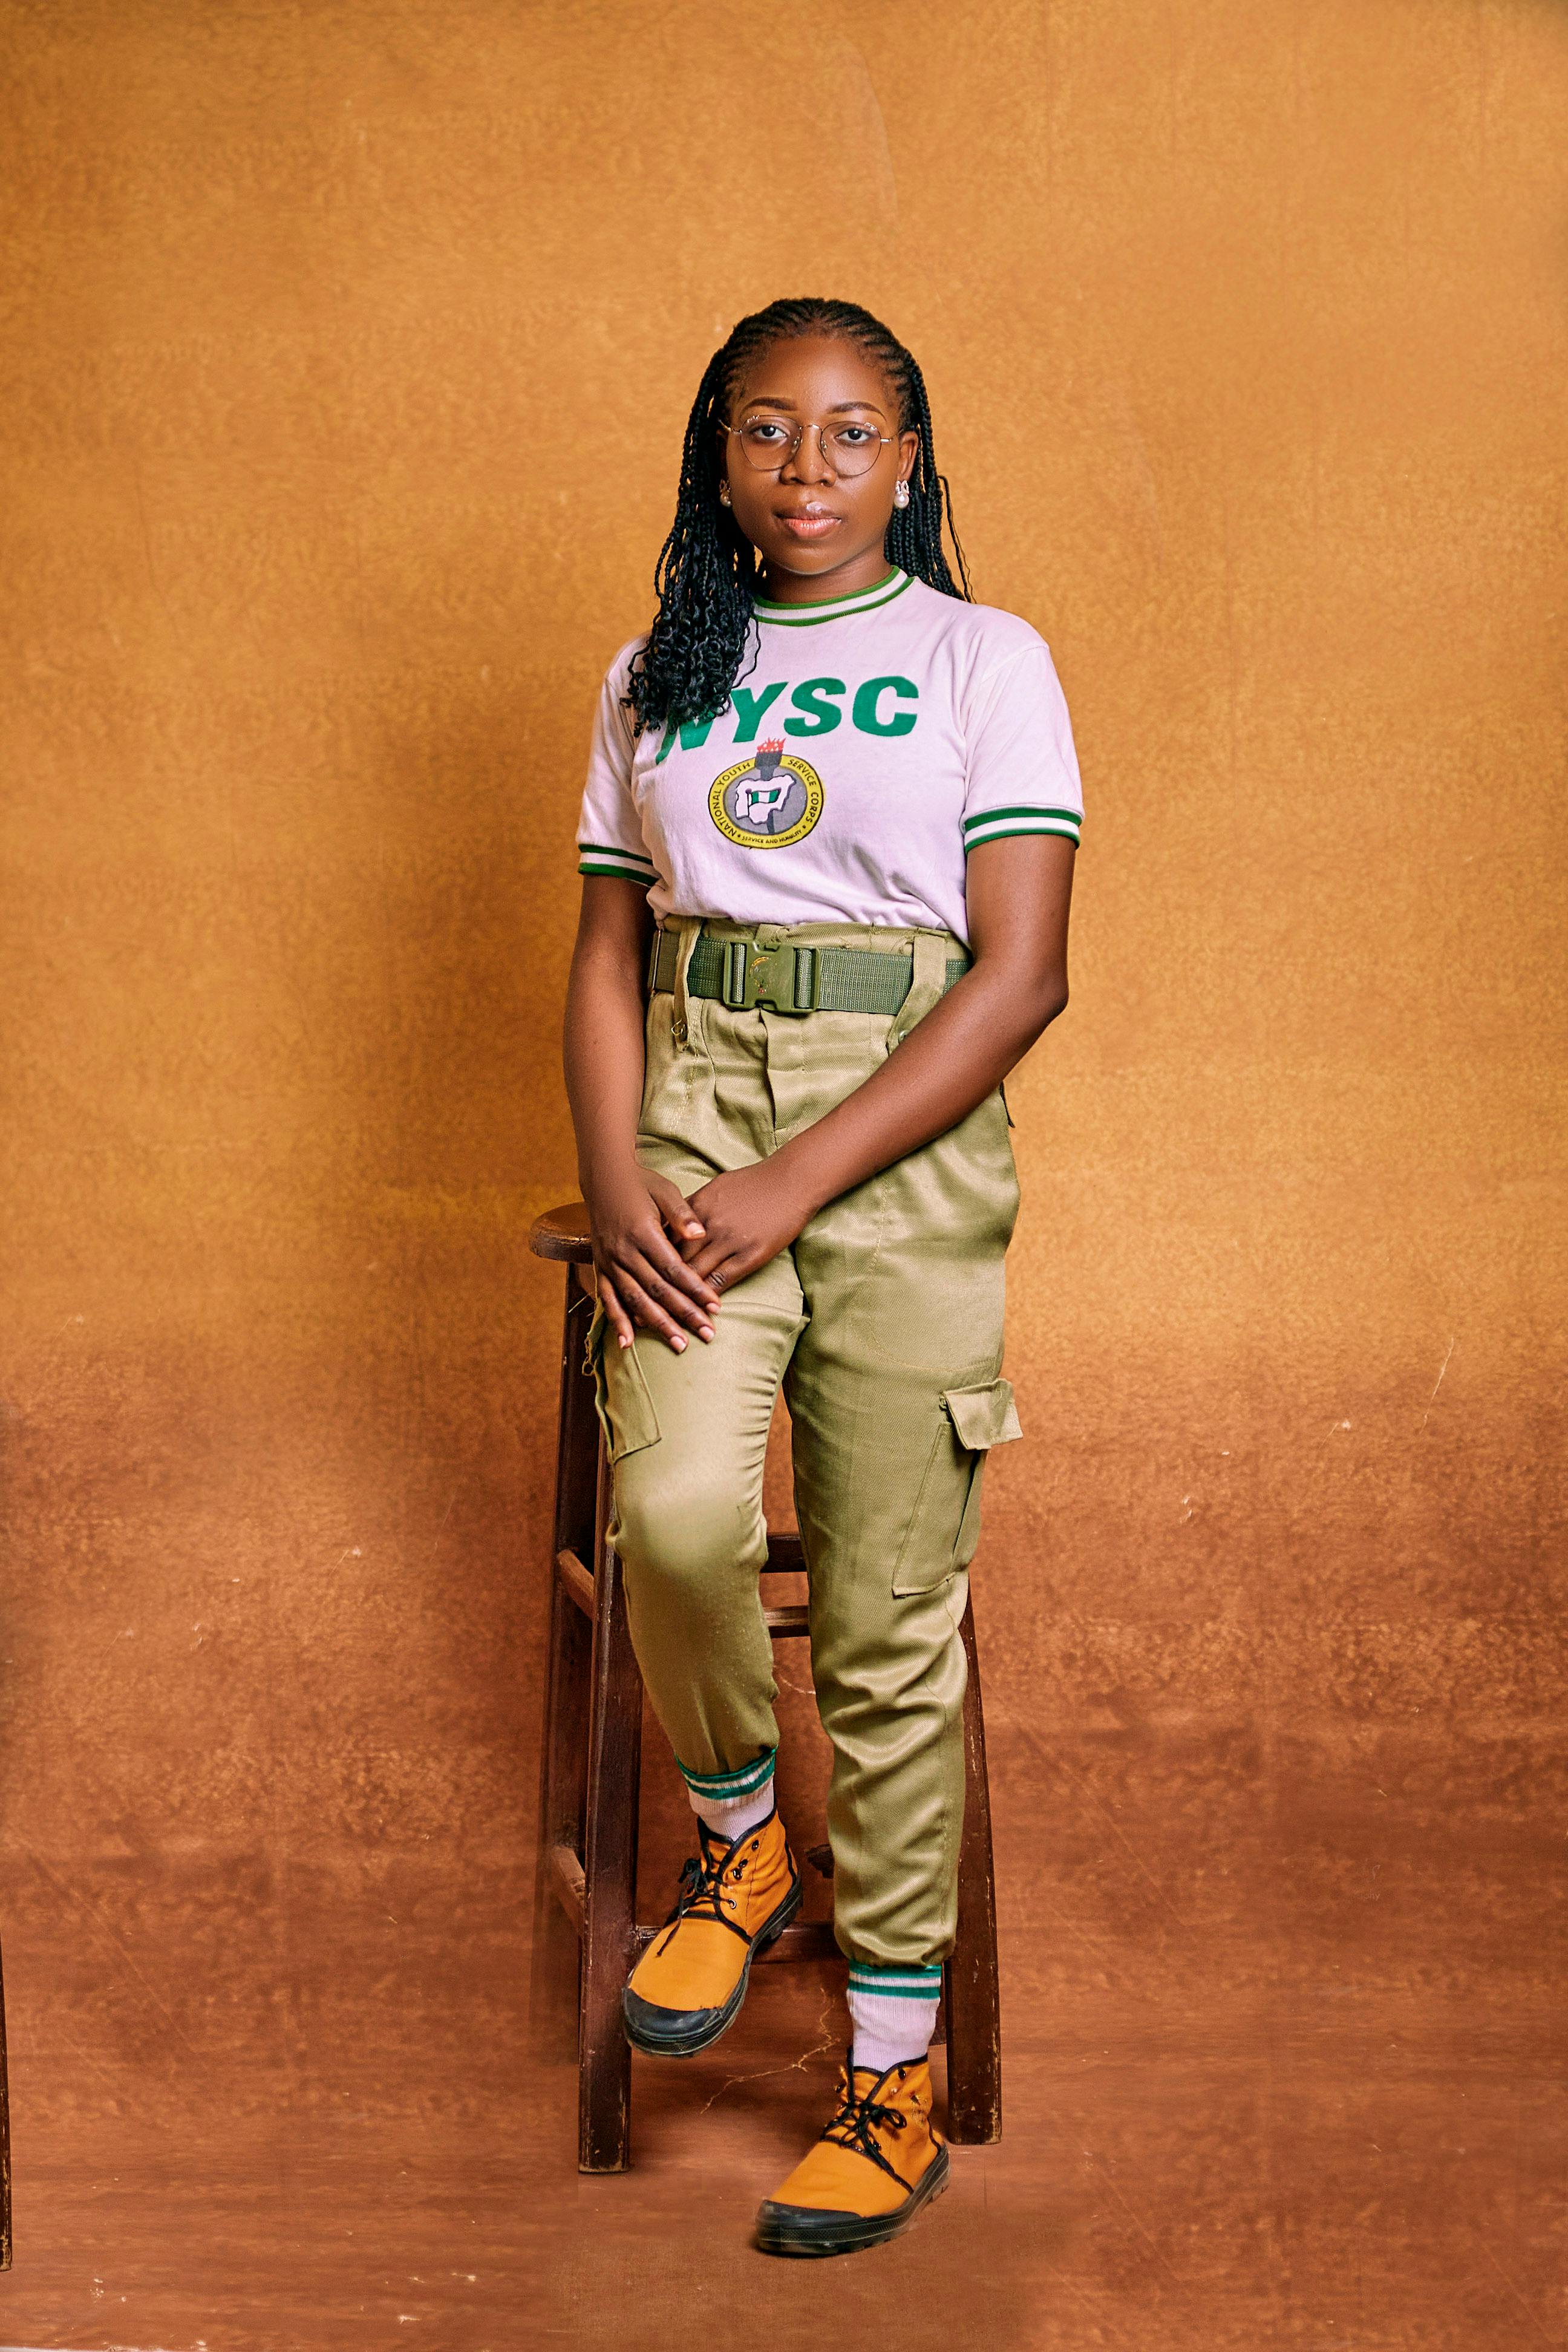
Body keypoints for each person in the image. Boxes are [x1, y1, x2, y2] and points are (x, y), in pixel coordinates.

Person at [563, 296, 1081, 2257]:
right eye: (768, 432)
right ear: (719, 457)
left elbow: (1020, 972)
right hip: (693, 1116)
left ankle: (890, 2084)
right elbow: (608, 958)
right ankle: (733, 1835)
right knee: (679, 1514)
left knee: (883, 1623)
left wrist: (795, 1181)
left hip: (902, 1134)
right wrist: (625, 1177)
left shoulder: (980, 657)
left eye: (853, 434)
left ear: (913, 464)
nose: (808, 470)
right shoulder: (652, 673)